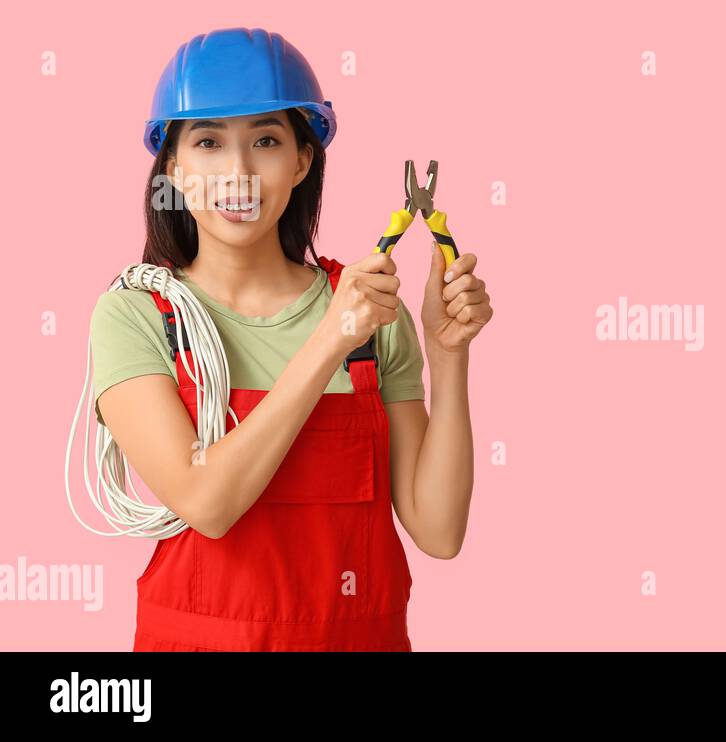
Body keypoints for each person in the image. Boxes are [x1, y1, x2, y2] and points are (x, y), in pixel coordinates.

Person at [90, 27, 493, 651]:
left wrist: (448, 356)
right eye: (207, 143)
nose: (239, 172)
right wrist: (330, 340)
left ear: (302, 161)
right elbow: (207, 502)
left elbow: (439, 531)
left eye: (267, 141)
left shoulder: (369, 314)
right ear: (172, 166)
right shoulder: (137, 316)